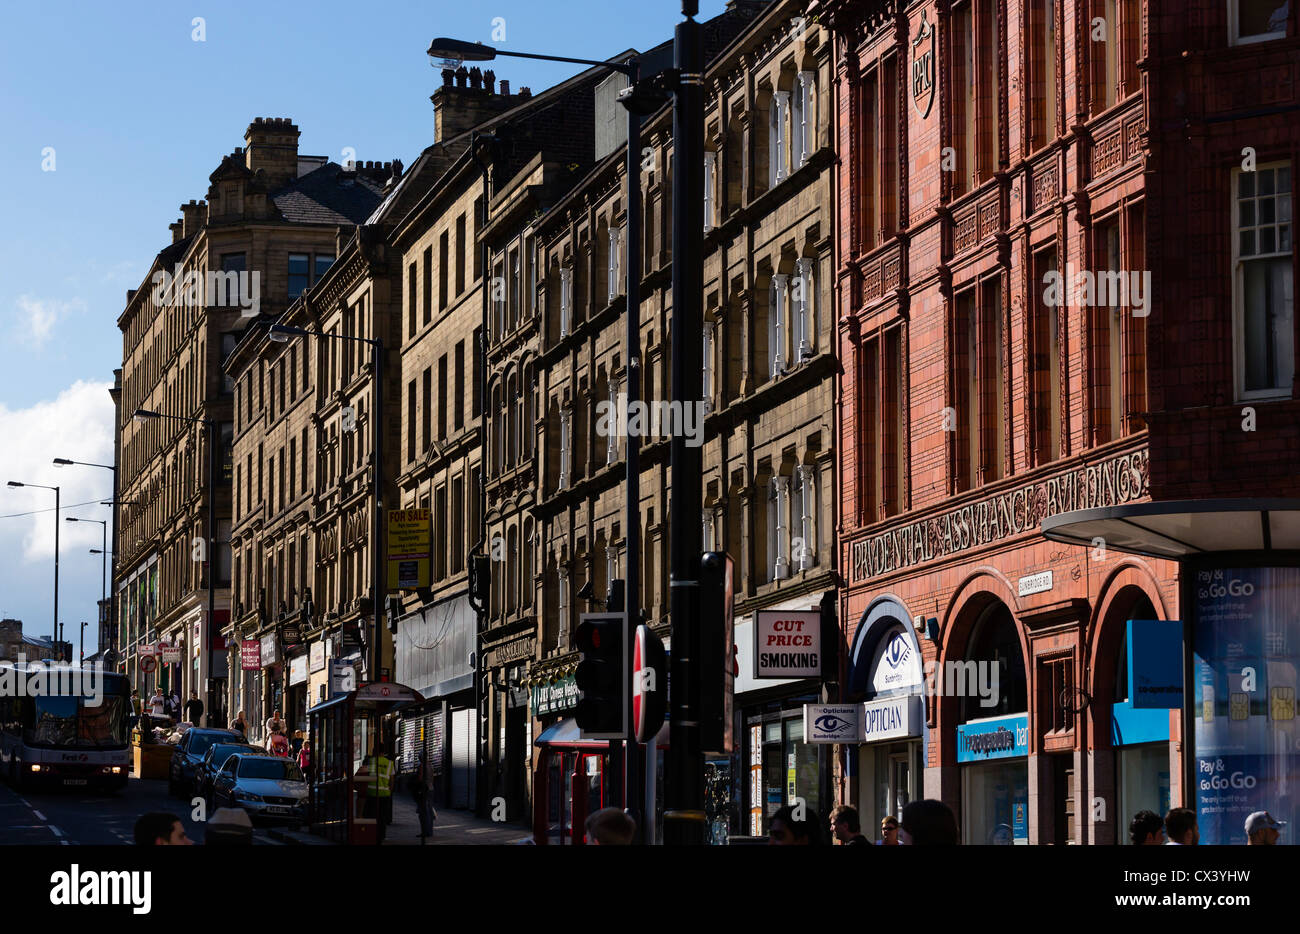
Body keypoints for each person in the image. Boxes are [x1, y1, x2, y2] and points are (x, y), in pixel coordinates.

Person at [356, 746, 394, 843]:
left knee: (371, 815)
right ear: (383, 752)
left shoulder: (371, 761)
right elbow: (392, 781)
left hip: (372, 793)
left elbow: (368, 775)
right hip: (385, 794)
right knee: (382, 817)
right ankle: (381, 835)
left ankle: (372, 834)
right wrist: (389, 792)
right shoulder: (390, 763)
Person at [412, 749, 435, 839]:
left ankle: (425, 831)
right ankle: (430, 831)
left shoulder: (421, 766)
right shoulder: (431, 765)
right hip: (431, 789)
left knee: (423, 812)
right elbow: (432, 778)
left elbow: (420, 779)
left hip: (424, 790)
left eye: (419, 756)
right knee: (429, 811)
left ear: (421, 757)